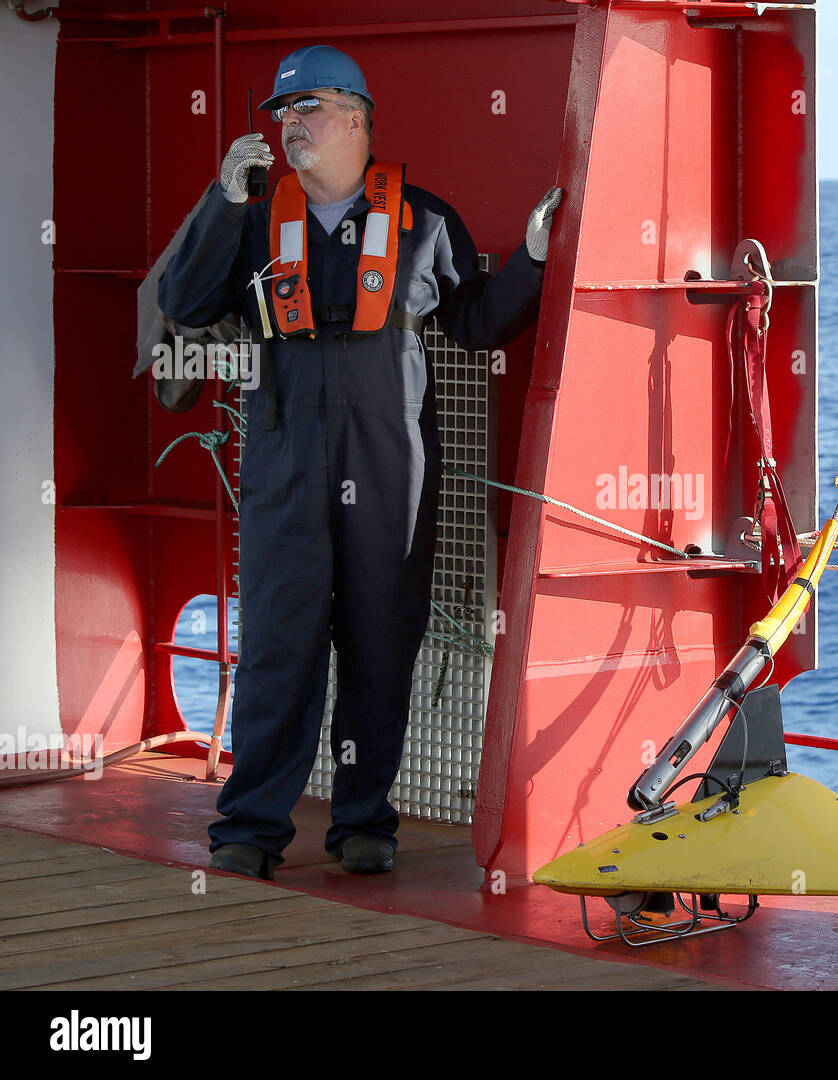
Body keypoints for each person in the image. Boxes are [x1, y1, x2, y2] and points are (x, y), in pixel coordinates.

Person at [159, 44, 561, 880]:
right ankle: (249, 829)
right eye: (281, 114)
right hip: (284, 462)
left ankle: (364, 822)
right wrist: (222, 203)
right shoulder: (251, 221)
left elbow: (480, 324)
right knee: (278, 645)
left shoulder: (425, 220)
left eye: (306, 109)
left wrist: (532, 256)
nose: (290, 127)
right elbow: (185, 303)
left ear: (356, 118)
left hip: (391, 467)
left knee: (382, 641)